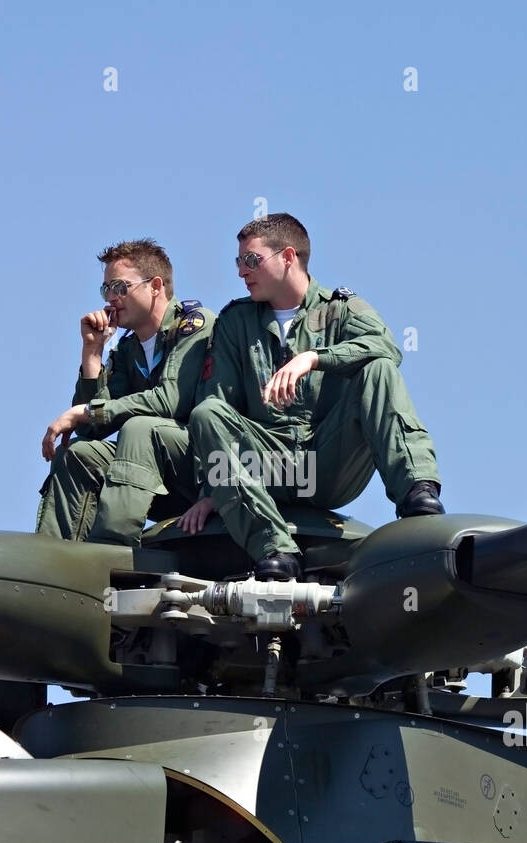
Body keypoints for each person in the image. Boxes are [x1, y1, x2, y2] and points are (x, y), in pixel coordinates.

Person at [177, 213, 442, 580]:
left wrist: (314, 358)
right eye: (239, 261)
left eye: (251, 260)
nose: (241, 271)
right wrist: (213, 489)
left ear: (288, 257)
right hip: (267, 466)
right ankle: (275, 548)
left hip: (327, 464)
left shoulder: (340, 309)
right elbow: (219, 399)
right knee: (207, 412)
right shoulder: (236, 322)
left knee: (378, 369)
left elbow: (386, 347)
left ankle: (417, 494)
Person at [36, 239, 214, 545]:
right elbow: (93, 430)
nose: (111, 299)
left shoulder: (194, 326)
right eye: (106, 290)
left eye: (120, 287)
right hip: (153, 475)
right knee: (76, 454)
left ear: (155, 286)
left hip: (201, 470)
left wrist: (88, 411)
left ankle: (113, 550)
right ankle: (54, 560)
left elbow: (168, 400)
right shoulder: (128, 350)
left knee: (138, 427)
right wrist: (93, 353)